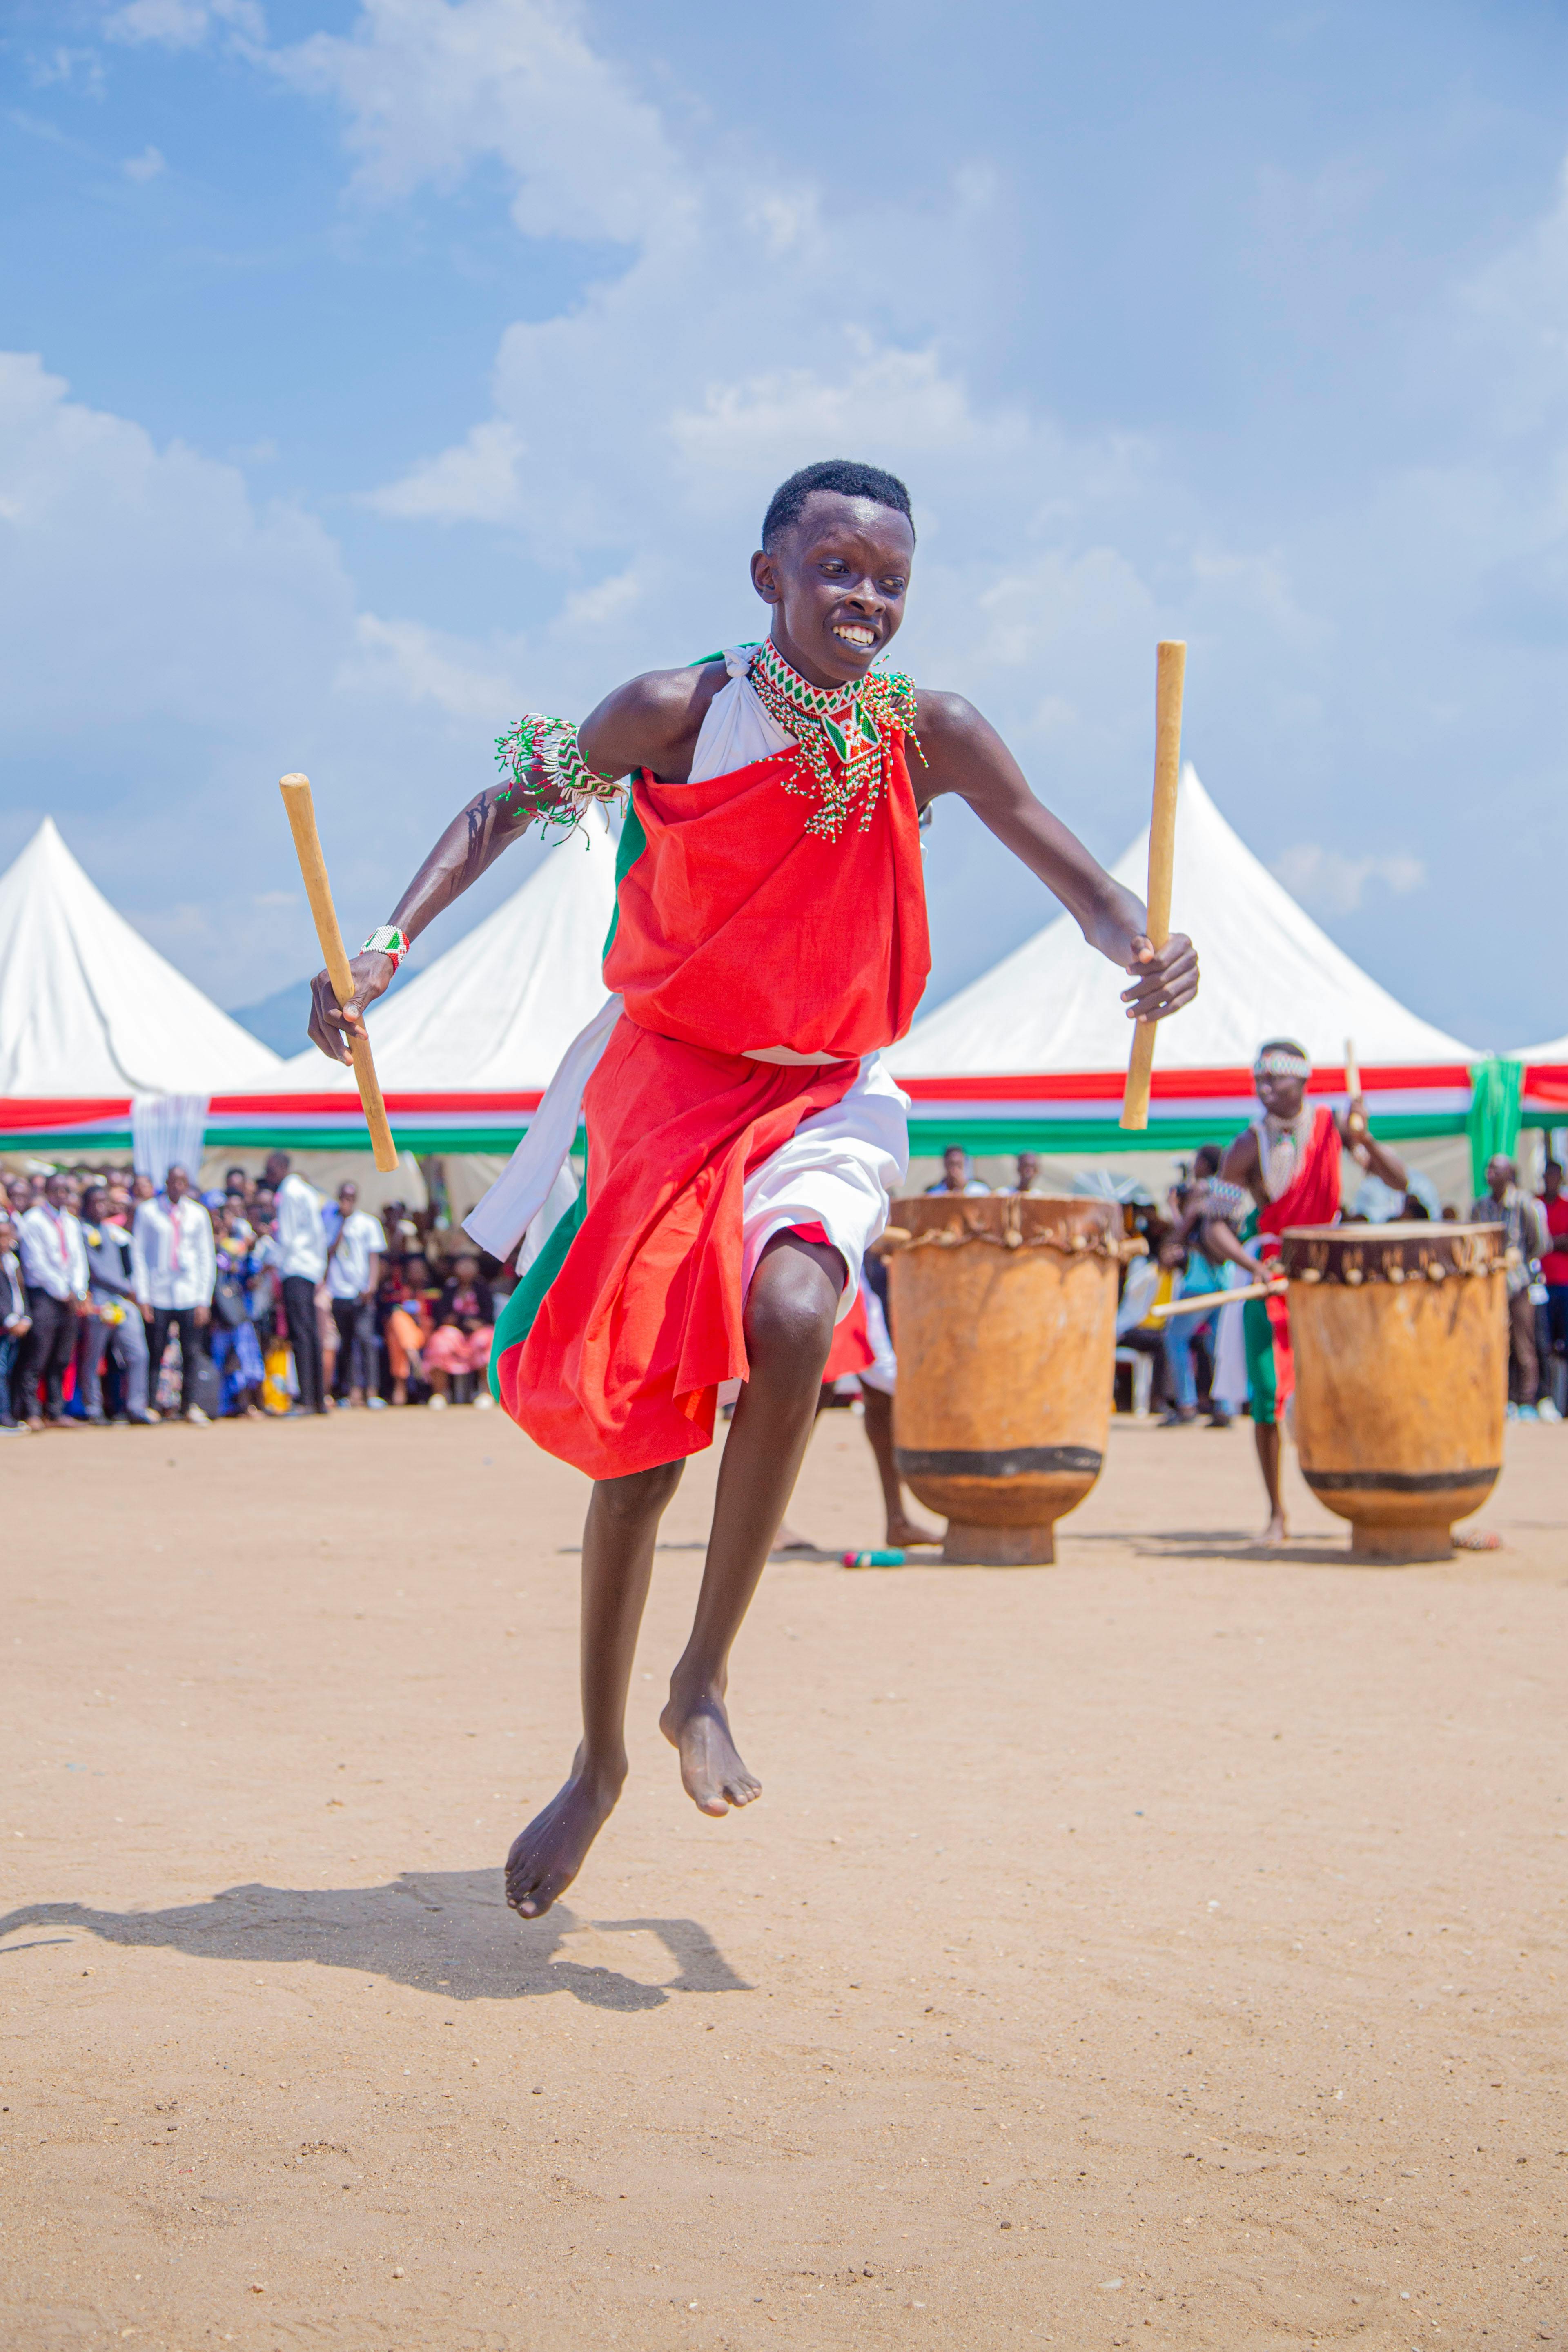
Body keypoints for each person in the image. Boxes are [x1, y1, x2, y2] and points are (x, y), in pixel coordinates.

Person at [306, 457, 1198, 1917]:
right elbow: (502, 800)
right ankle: (597, 1759)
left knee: (799, 1311)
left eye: (891, 579)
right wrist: (386, 946)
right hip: (664, 1080)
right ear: (767, 573)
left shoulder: (933, 733)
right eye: (837, 566)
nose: (867, 596)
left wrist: (1140, 944)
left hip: (828, 1085)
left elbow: (1083, 880)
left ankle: (704, 1673)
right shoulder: (673, 709)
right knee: (641, 1456)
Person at [1200, 1039, 1405, 1544]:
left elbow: (1397, 1182)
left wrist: (1367, 1137)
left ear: (1304, 1080)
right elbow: (1215, 1226)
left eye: (1276, 1079)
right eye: (1259, 1080)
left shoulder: (1333, 1127)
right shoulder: (1247, 1146)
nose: (1265, 1089)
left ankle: (1365, 1500)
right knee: (1268, 1397)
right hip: (1271, 1279)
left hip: (1329, 1277)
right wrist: (1253, 1265)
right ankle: (1276, 1512)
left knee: (1350, 1388)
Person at [131, 1163, 216, 1426]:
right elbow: (140, 1254)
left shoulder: (198, 1214)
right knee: (155, 1350)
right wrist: (143, 1295)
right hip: (159, 1292)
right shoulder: (148, 1212)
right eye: (174, 1181)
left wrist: (204, 1299)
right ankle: (152, 1405)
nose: (179, 1186)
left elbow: (207, 1257)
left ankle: (189, 1405)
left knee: (191, 1351)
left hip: (189, 1292)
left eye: (183, 1181)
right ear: (166, 1182)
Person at [1470, 1154, 1546, 1419]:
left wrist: (1522, 1264)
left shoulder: (1523, 1204)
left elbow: (1539, 1243)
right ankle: (1500, 1398)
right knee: (1496, 1343)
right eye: (1488, 1168)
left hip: (1519, 1284)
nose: (1490, 1173)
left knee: (1524, 1343)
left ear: (1509, 1174)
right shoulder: (1480, 1207)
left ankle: (1526, 1400)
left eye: (1496, 1169)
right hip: (1491, 1287)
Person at [16, 1172, 91, 1429]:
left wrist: (79, 1291)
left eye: (65, 1191)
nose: (62, 1195)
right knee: (38, 1355)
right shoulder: (34, 1221)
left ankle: (56, 1410)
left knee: (62, 1357)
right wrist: (64, 1292)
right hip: (44, 1296)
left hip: (70, 1298)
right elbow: (35, 1265)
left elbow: (79, 1260)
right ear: (47, 1192)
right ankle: (31, 1411)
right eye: (56, 1190)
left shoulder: (71, 1222)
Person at [78, 1184, 154, 1425]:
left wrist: (133, 1290)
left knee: (138, 1354)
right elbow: (96, 1271)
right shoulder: (80, 1231)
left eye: (104, 1202)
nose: (101, 1207)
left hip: (121, 1303)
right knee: (94, 1358)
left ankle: (136, 1406)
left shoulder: (113, 1232)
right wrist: (126, 1288)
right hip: (99, 1303)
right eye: (95, 1203)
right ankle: (93, 1409)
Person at [263, 1151, 328, 1415]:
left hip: (295, 1267)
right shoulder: (307, 1191)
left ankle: (306, 1400)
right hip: (310, 1268)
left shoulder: (289, 1192)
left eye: (270, 1170)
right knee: (311, 1334)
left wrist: (272, 1263)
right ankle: (318, 1399)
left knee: (301, 1335)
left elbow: (287, 1236)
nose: (269, 1176)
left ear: (280, 1167)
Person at [322, 1180, 387, 1408]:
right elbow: (328, 1251)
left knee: (366, 1340)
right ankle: (351, 1391)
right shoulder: (330, 1222)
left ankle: (372, 1391)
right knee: (345, 1344)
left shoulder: (369, 1223)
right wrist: (342, 1223)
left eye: (350, 1197)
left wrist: (372, 1284)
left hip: (361, 1292)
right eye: (343, 1197)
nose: (346, 1201)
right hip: (338, 1291)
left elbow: (374, 1256)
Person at [421, 1254, 496, 1407]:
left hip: (478, 1332)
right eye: (463, 1267)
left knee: (485, 1340)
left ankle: (487, 1393)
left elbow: (489, 1314)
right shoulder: (449, 1289)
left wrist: (478, 1323)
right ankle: (440, 1393)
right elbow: (444, 1316)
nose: (466, 1271)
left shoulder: (483, 1289)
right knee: (439, 1341)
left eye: (470, 1267)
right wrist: (461, 1322)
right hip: (455, 1334)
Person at [379, 1253, 433, 1407]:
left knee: (398, 1329)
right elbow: (386, 1313)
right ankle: (414, 1358)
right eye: (412, 1270)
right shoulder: (397, 1291)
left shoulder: (432, 1290)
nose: (416, 1273)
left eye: (419, 1269)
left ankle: (400, 1385)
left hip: (425, 1333)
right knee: (398, 1320)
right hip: (405, 1336)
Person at [1537, 1160, 1568, 1419]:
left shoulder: (1566, 1207)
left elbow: (1545, 1242)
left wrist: (1547, 1242)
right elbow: (1534, 1243)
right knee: (1542, 1345)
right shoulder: (1535, 1206)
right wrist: (1554, 1241)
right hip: (1539, 1287)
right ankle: (1545, 1398)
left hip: (1564, 1285)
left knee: (1564, 1346)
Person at [0, 1214, 30, 1432]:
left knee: (9, 1372)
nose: (5, 1240)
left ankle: (10, 1414)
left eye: (7, 1235)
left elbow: (21, 1292)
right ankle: (4, 1418)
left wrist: (26, 1318)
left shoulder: (12, 1260)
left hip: (17, 1327)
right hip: (5, 1326)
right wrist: (9, 1320)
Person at [925, 1143, 991, 1196]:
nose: (955, 1170)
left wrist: (961, 1188)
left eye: (959, 1165)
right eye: (951, 1164)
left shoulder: (981, 1192)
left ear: (965, 1163)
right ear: (945, 1164)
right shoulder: (934, 1194)